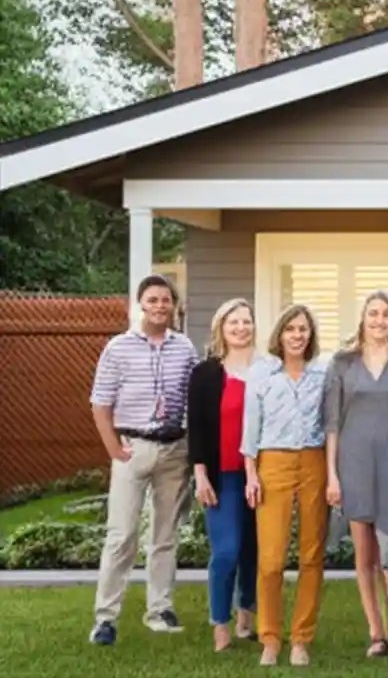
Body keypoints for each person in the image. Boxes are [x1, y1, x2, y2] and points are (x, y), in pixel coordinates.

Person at [88, 275, 199, 647]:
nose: (160, 306)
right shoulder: (118, 348)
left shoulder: (184, 348)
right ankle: (106, 618)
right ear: (141, 304)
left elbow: (194, 399)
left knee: (165, 535)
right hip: (133, 447)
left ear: (173, 305)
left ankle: (160, 610)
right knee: (121, 536)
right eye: (153, 300)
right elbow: (100, 404)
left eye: (166, 300)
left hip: (174, 451)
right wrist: (113, 450)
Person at [325, 291, 388, 658]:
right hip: (353, 464)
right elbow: (332, 423)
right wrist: (332, 476)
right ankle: (375, 631)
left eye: (387, 315)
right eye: (374, 314)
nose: (380, 320)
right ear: (363, 319)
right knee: (364, 552)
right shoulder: (342, 363)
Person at [241, 303, 328, 666]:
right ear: (280, 334)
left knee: (311, 554)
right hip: (272, 462)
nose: (297, 335)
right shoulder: (262, 374)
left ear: (310, 336)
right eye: (291, 329)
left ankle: (301, 639)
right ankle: (271, 638)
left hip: (313, 460)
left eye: (303, 329)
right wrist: (251, 474)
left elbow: (333, 425)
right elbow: (250, 429)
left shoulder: (322, 376)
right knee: (271, 558)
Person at [187, 298, 259, 651]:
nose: (241, 328)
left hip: (262, 475)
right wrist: (200, 474)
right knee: (227, 551)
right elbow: (198, 428)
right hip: (223, 475)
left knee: (255, 551)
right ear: (221, 327)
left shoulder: (267, 369)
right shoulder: (206, 373)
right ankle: (220, 622)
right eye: (234, 322)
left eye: (246, 321)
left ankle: (247, 614)